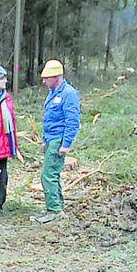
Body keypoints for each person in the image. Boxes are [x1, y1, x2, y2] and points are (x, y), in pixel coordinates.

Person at [36, 58, 80, 223]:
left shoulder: (68, 94)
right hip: (50, 139)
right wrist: (44, 140)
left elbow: (72, 121)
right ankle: (58, 207)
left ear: (57, 77)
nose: (44, 81)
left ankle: (54, 210)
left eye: (47, 78)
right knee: (52, 174)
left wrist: (66, 144)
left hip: (58, 140)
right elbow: (49, 120)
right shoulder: (52, 93)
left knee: (48, 175)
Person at [0, 64, 22, 217]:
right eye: (2, 79)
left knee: (2, 178)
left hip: (4, 148)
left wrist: (15, 147)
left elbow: (12, 124)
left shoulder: (6, 99)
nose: (6, 81)